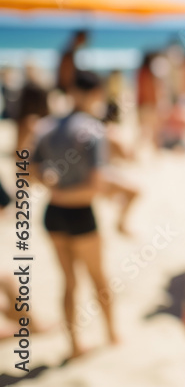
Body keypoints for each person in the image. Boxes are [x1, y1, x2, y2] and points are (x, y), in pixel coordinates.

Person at [31, 70, 117, 358]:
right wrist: (67, 193)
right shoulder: (92, 130)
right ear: (94, 94)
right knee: (98, 277)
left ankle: (74, 345)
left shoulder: (45, 126)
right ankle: (112, 334)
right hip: (80, 213)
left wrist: (52, 187)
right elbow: (97, 186)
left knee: (68, 281)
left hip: (53, 213)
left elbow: (29, 171)